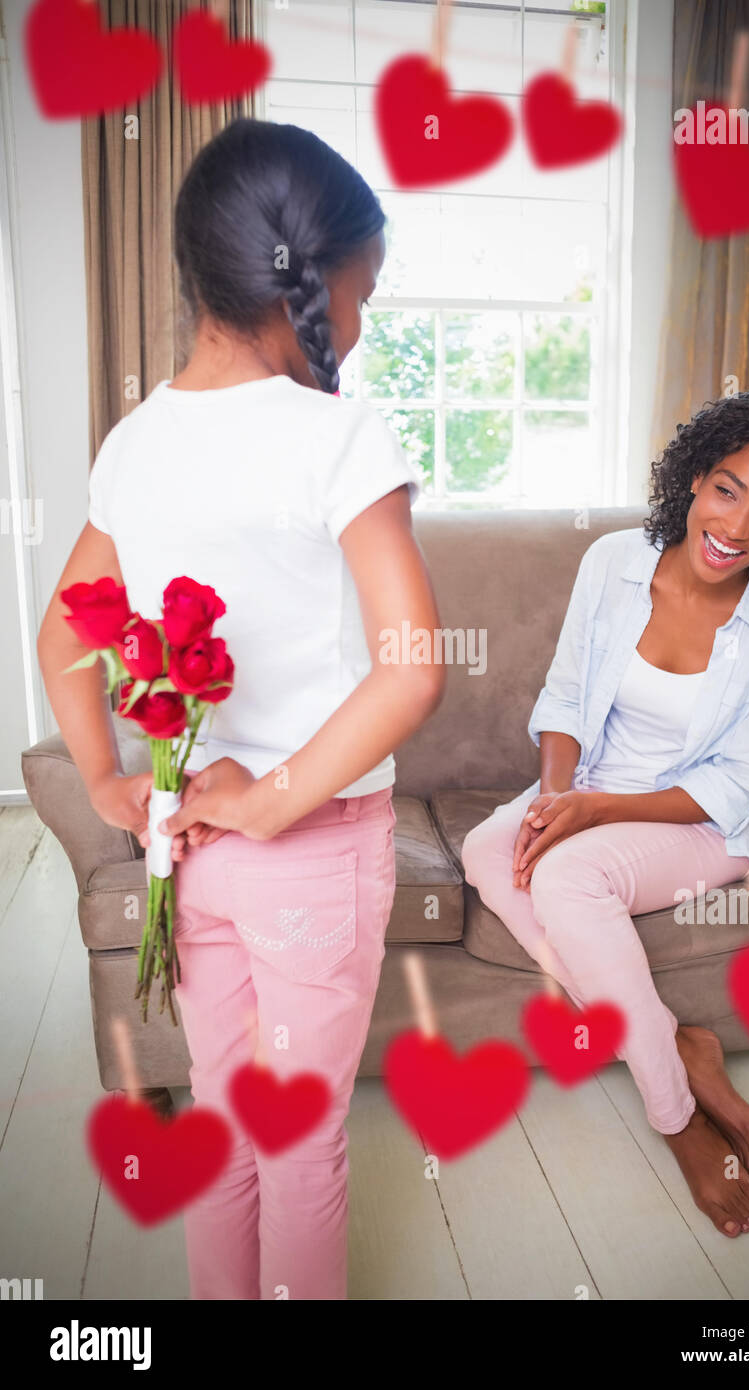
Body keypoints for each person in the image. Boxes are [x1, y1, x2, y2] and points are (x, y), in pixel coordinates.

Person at [37, 118, 445, 1300]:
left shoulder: (133, 441)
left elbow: (65, 635)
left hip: (183, 835)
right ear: (308, 289)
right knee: (299, 1139)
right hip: (301, 847)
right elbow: (411, 664)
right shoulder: (341, 435)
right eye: (360, 297)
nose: (358, 328)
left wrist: (116, 784)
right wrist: (269, 803)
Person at [460, 389, 749, 1240]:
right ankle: (677, 1041)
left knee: (565, 877)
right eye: (725, 489)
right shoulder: (612, 561)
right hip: (593, 783)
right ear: (692, 480)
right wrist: (559, 797)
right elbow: (566, 695)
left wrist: (593, 814)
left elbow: (738, 780)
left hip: (701, 820)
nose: (736, 525)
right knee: (487, 850)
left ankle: (676, 1120)